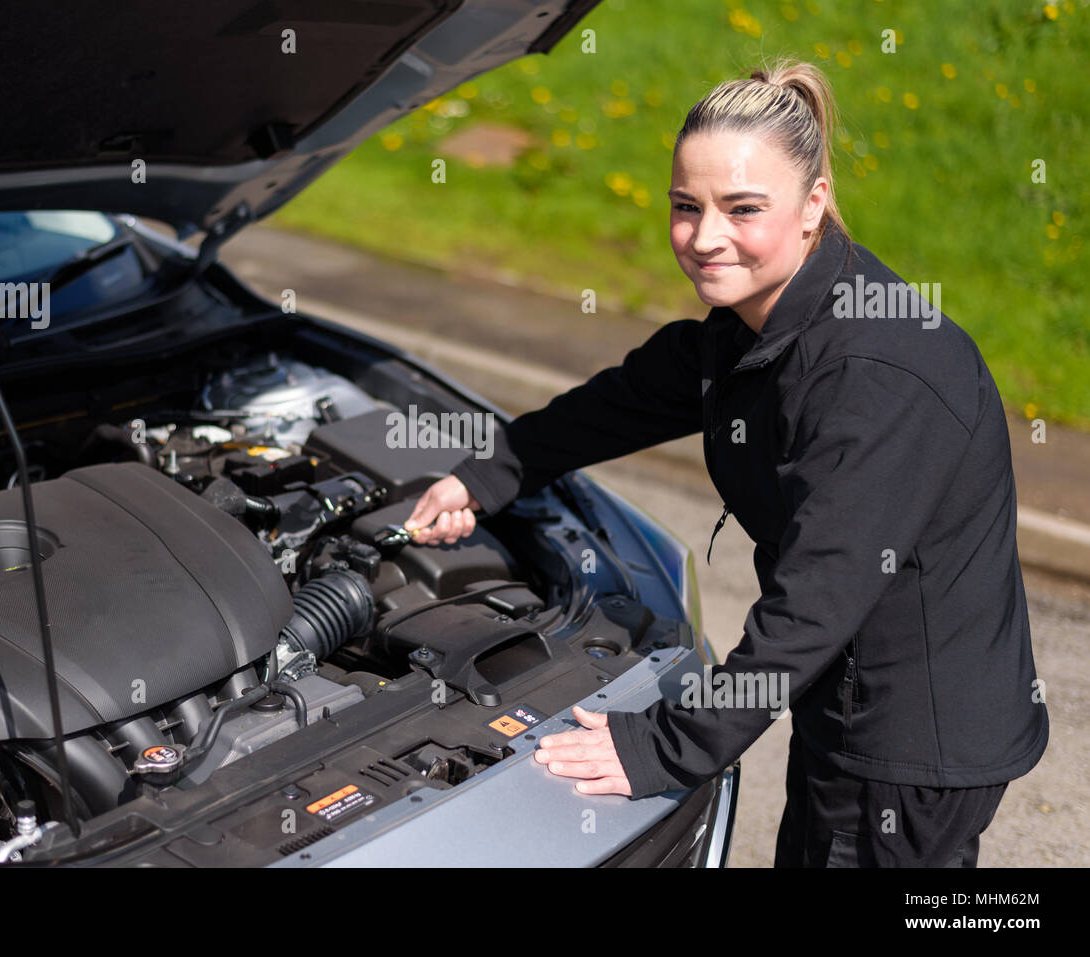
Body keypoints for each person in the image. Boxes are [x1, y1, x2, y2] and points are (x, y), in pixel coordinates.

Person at [402, 58, 1048, 867]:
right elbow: (622, 400)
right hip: (845, 701)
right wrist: (488, 472)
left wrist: (664, 747)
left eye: (743, 208)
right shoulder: (753, 323)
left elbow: (814, 603)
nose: (706, 237)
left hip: (910, 742)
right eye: (685, 206)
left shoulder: (875, 378)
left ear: (814, 204)